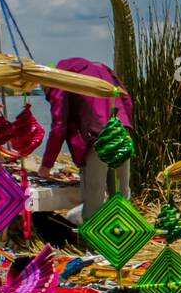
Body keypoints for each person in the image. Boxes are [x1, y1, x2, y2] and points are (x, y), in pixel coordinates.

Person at [38, 58, 134, 221]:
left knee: (94, 196)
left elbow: (59, 126)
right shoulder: (101, 68)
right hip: (121, 131)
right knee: (120, 195)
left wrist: (46, 166)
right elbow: (127, 101)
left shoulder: (60, 79)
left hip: (96, 135)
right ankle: (123, 241)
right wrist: (124, 127)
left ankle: (91, 244)